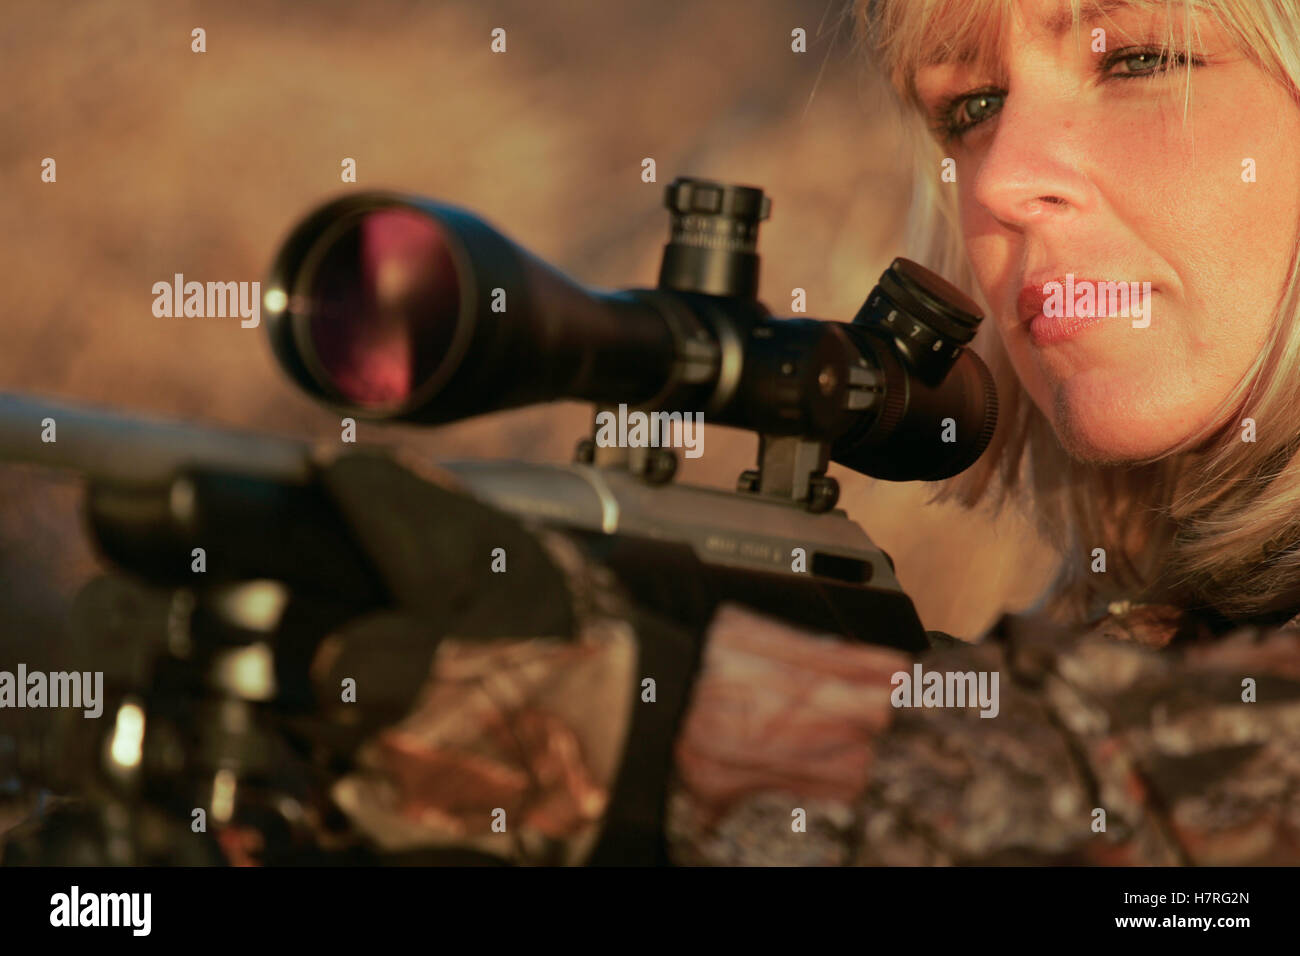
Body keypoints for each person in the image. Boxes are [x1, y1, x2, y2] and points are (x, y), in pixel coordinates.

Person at [9, 0, 1300, 867]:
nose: (1007, 177)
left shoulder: (1155, 742)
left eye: (1139, 59)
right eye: (967, 109)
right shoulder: (1104, 658)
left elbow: (1182, 801)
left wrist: (653, 731)